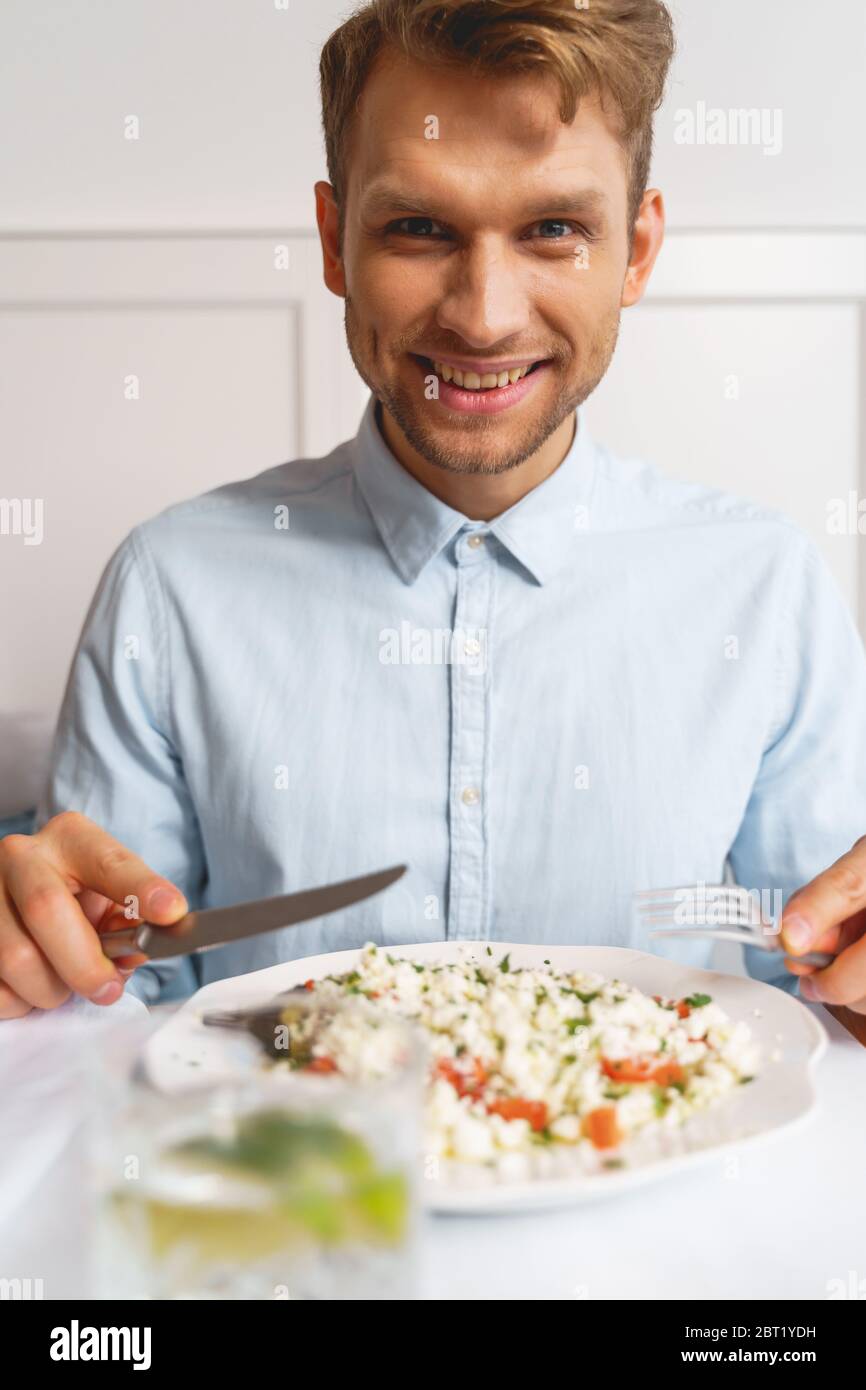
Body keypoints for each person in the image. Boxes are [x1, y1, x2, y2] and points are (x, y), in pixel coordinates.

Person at [2, 0, 865, 1021]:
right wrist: (36, 970)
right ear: (333, 242)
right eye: (417, 227)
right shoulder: (169, 585)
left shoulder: (762, 587)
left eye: (554, 229)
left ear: (634, 251)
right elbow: (110, 1020)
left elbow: (813, 1017)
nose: (483, 315)